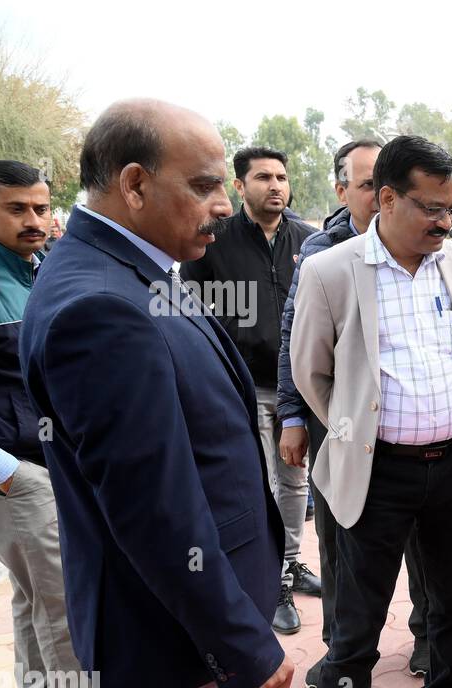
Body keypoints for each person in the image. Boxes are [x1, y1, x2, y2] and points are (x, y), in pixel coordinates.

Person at [21, 99, 294, 688]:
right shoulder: (100, 306)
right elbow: (154, 511)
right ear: (134, 184)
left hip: (191, 614)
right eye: (205, 184)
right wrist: (242, 643)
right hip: (177, 630)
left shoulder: (129, 267)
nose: (222, 204)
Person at [291, 136, 452, 688]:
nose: (446, 222)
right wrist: (359, 435)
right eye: (431, 209)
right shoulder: (331, 270)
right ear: (384, 198)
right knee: (357, 616)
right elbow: (311, 372)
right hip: (376, 475)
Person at [277, 139, 435, 688]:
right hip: (341, 429)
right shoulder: (324, 255)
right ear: (343, 191)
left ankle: (426, 638)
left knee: (423, 544)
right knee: (341, 545)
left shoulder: (431, 252)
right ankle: (342, 652)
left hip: (414, 440)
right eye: (364, 184)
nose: (376, 194)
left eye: (382, 183)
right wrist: (298, 417)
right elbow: (297, 346)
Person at [0, 160, 130, 688]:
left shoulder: (38, 270)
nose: (34, 220)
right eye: (16, 209)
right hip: (15, 472)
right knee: (61, 591)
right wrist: (6, 475)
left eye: (41, 208)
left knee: (33, 588)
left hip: (50, 459)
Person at [180, 146, 320, 636]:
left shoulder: (309, 239)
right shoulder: (212, 241)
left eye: (282, 176)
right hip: (242, 388)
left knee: (296, 484)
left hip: (300, 391)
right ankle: (270, 582)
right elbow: (192, 315)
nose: (275, 185)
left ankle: (291, 565)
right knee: (259, 482)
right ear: (239, 186)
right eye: (263, 177)